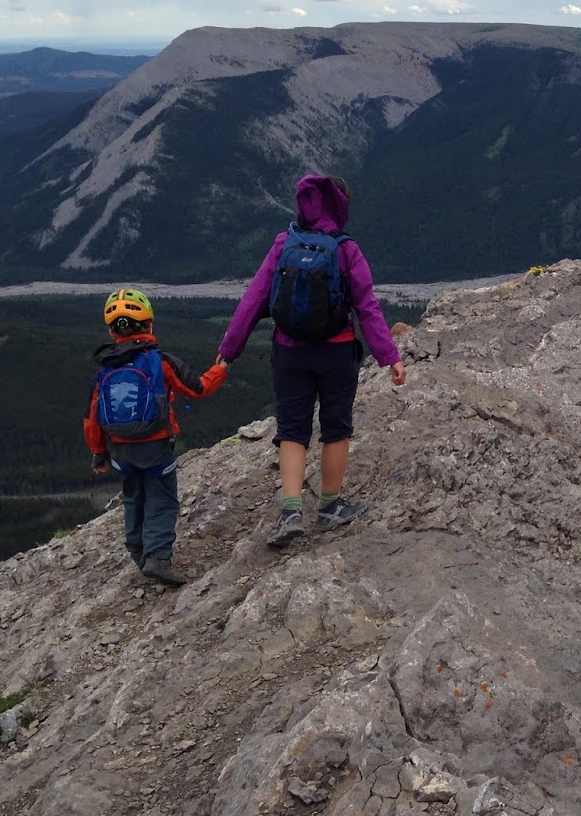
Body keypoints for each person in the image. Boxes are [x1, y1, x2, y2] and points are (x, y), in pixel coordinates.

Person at [217, 174, 406, 549]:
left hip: (289, 351)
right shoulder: (346, 249)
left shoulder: (283, 243)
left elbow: (254, 300)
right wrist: (390, 358)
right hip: (336, 352)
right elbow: (367, 307)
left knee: (292, 430)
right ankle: (331, 507)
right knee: (336, 428)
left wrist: (229, 350)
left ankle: (290, 511)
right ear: (340, 206)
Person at [85, 288, 229, 586]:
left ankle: (137, 549)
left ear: (112, 332)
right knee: (162, 500)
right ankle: (158, 558)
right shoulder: (160, 361)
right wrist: (221, 368)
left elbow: (93, 417)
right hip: (156, 446)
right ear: (149, 325)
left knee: (133, 497)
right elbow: (198, 388)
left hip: (120, 450)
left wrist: (99, 452)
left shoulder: (103, 370)